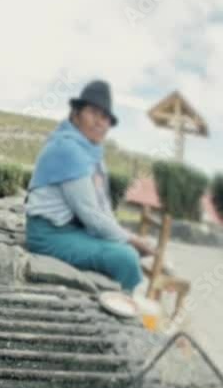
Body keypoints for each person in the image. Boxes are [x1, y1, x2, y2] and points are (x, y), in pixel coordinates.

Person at [25, 80, 154, 293]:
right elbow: (90, 214)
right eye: (93, 112)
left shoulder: (91, 153)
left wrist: (126, 237)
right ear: (76, 114)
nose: (100, 122)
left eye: (105, 117)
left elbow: (103, 207)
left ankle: (124, 298)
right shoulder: (68, 149)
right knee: (126, 258)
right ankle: (124, 307)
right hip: (49, 236)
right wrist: (131, 241)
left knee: (125, 246)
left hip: (72, 230)